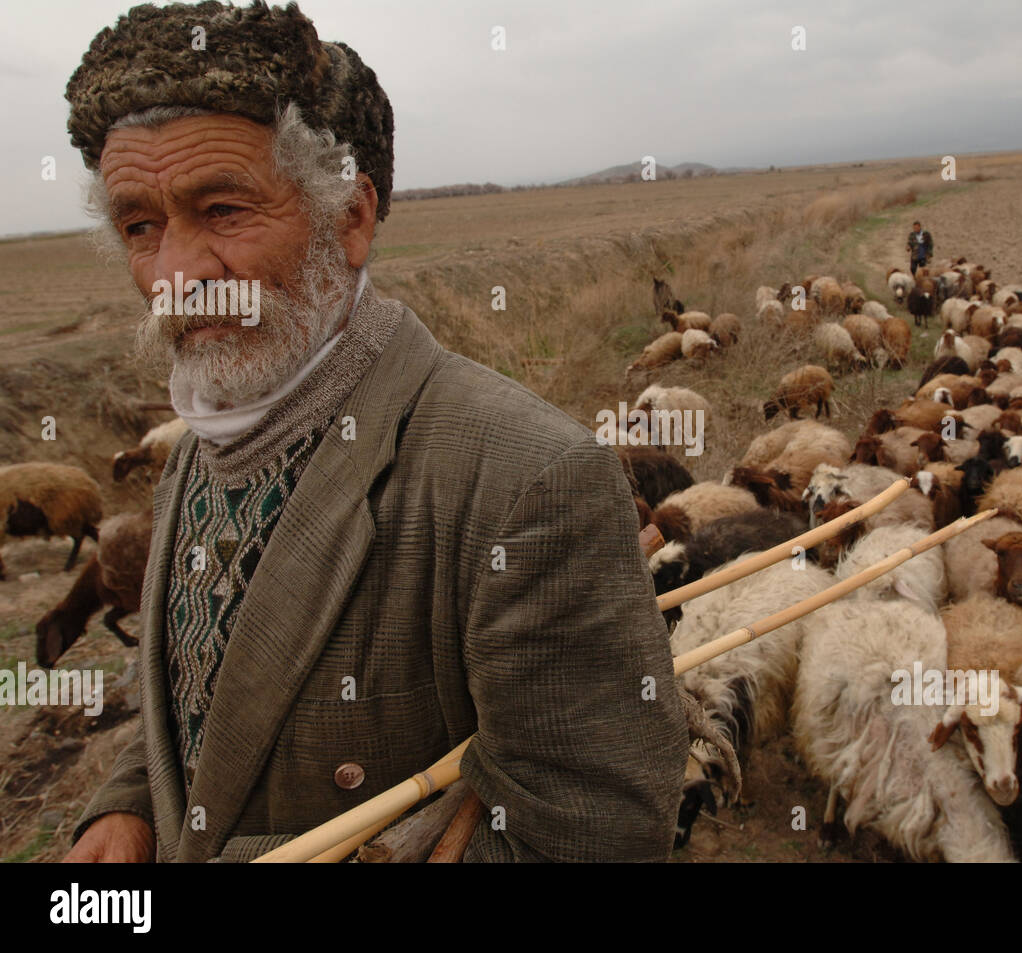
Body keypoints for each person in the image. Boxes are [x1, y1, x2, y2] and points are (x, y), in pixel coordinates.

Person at [62, 1, 686, 863]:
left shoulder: (528, 485)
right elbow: (207, 700)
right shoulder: (199, 447)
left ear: (350, 218)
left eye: (223, 210)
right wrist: (127, 808)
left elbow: (589, 841)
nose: (176, 274)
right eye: (141, 226)